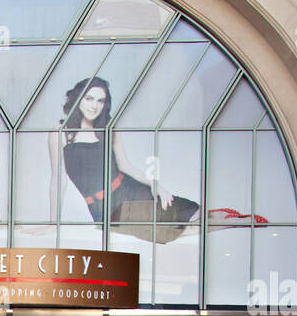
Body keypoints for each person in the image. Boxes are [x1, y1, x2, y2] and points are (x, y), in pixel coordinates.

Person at [49, 76, 262, 240]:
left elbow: (126, 166)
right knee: (174, 231)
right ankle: (229, 219)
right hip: (102, 208)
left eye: (100, 100)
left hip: (130, 192)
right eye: (89, 98)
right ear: (78, 98)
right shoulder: (60, 133)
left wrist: (155, 185)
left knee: (184, 221)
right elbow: (58, 179)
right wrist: (52, 222)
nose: (94, 105)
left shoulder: (108, 130)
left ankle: (235, 220)